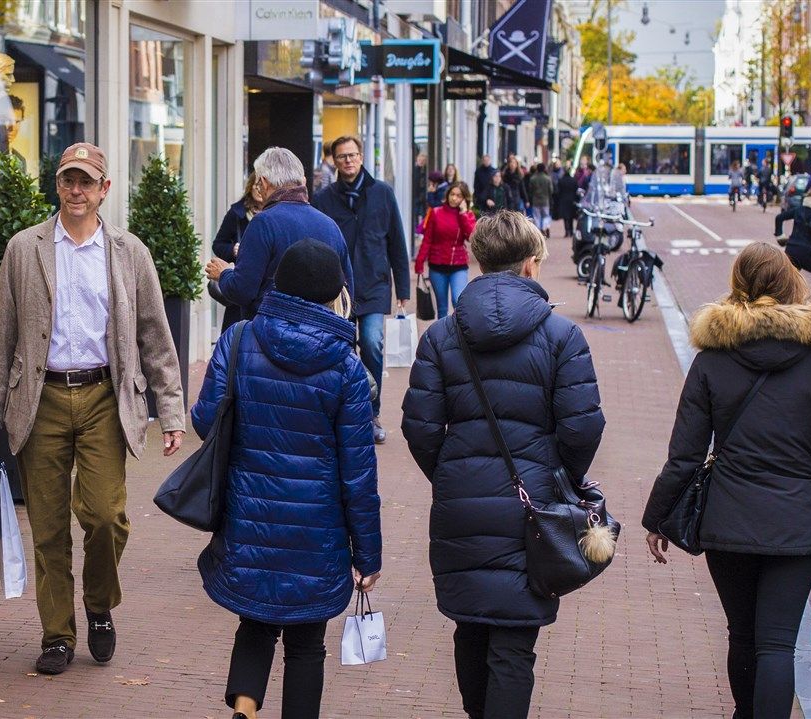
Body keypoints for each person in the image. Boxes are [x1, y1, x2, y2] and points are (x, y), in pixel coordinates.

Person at [0, 142, 186, 675]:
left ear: (104, 190)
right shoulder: (25, 249)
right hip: (39, 398)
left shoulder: (129, 252)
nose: (76, 190)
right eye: (68, 180)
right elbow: (0, 335)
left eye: (86, 182)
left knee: (105, 516)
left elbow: (155, 336)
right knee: (46, 527)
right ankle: (57, 635)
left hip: (102, 398)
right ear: (57, 185)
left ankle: (98, 604)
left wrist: (172, 411)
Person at [642, 242, 811, 719]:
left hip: (728, 520)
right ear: (791, 283)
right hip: (795, 523)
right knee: (778, 644)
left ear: (737, 285)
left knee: (742, 634)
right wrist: (808, 478)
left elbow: (684, 455)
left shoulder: (711, 360)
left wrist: (658, 517)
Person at [402, 211, 605, 719]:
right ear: (531, 265)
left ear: (476, 259)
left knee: (470, 623)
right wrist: (563, 480)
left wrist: (452, 473)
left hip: (461, 506)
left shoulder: (442, 336)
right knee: (515, 642)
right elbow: (582, 428)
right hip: (532, 507)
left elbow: (420, 427)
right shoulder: (562, 336)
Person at [194, 239, 383, 719]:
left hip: (250, 512)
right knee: (306, 645)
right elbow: (358, 471)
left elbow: (205, 419)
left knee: (255, 624)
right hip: (318, 529)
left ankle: (243, 708)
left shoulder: (240, 338)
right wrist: (368, 553)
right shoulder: (347, 368)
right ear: (333, 293)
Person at [313, 135, 411, 445]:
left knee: (371, 343)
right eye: (342, 156)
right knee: (340, 350)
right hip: (336, 288)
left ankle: (372, 412)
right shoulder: (323, 199)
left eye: (353, 155)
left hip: (374, 284)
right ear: (334, 161)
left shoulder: (382, 193)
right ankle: (343, 413)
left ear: (362, 157)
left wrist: (403, 288)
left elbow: (397, 241)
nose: (348, 161)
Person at [206, 147, 354, 320]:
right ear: (303, 181)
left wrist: (224, 273)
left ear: (263, 182)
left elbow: (242, 291)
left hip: (270, 336)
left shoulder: (263, 224)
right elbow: (347, 295)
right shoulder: (330, 226)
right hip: (320, 337)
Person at [209, 173, 265, 330]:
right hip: (240, 278)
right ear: (250, 187)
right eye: (256, 185)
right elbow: (218, 244)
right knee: (235, 333)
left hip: (262, 286)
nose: (259, 190)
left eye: (261, 186)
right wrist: (233, 250)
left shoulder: (274, 215)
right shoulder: (237, 213)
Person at [415, 182, 476, 319]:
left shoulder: (467, 215)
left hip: (458, 265)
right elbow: (427, 240)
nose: (454, 198)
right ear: (447, 195)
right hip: (437, 266)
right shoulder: (436, 213)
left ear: (464, 199)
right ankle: (443, 339)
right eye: (452, 194)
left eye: (459, 196)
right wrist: (419, 262)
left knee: (458, 301)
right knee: (442, 308)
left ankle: (460, 334)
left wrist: (463, 214)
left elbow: (471, 237)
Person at [776, 181, 811, 300]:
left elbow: (779, 218)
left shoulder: (800, 208)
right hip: (805, 251)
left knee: (787, 283)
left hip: (791, 249)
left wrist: (780, 236)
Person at [527, 163, 554, 236]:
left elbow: (530, 191)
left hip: (536, 201)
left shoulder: (532, 179)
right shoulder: (547, 178)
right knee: (546, 216)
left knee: (536, 217)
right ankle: (544, 227)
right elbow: (551, 190)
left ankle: (538, 230)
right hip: (545, 201)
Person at [554, 167, 579, 239]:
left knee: (565, 217)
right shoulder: (574, 180)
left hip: (563, 200)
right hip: (572, 200)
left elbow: (558, 191)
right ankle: (571, 231)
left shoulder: (561, 180)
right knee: (571, 216)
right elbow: (576, 190)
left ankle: (566, 231)